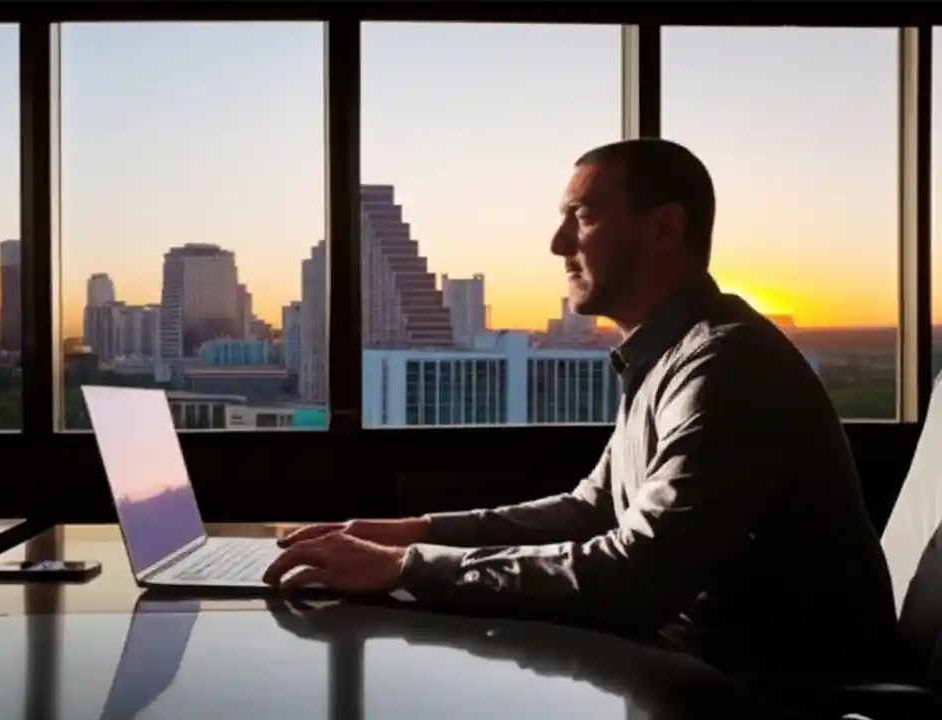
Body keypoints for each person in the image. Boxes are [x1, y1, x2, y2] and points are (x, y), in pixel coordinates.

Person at [262, 138, 901, 684]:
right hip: (686, 663)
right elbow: (592, 508)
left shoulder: (726, 368)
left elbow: (634, 576)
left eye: (583, 216)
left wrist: (406, 568)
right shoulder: (666, 354)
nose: (557, 242)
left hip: (762, 691)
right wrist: (415, 532)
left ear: (665, 229)